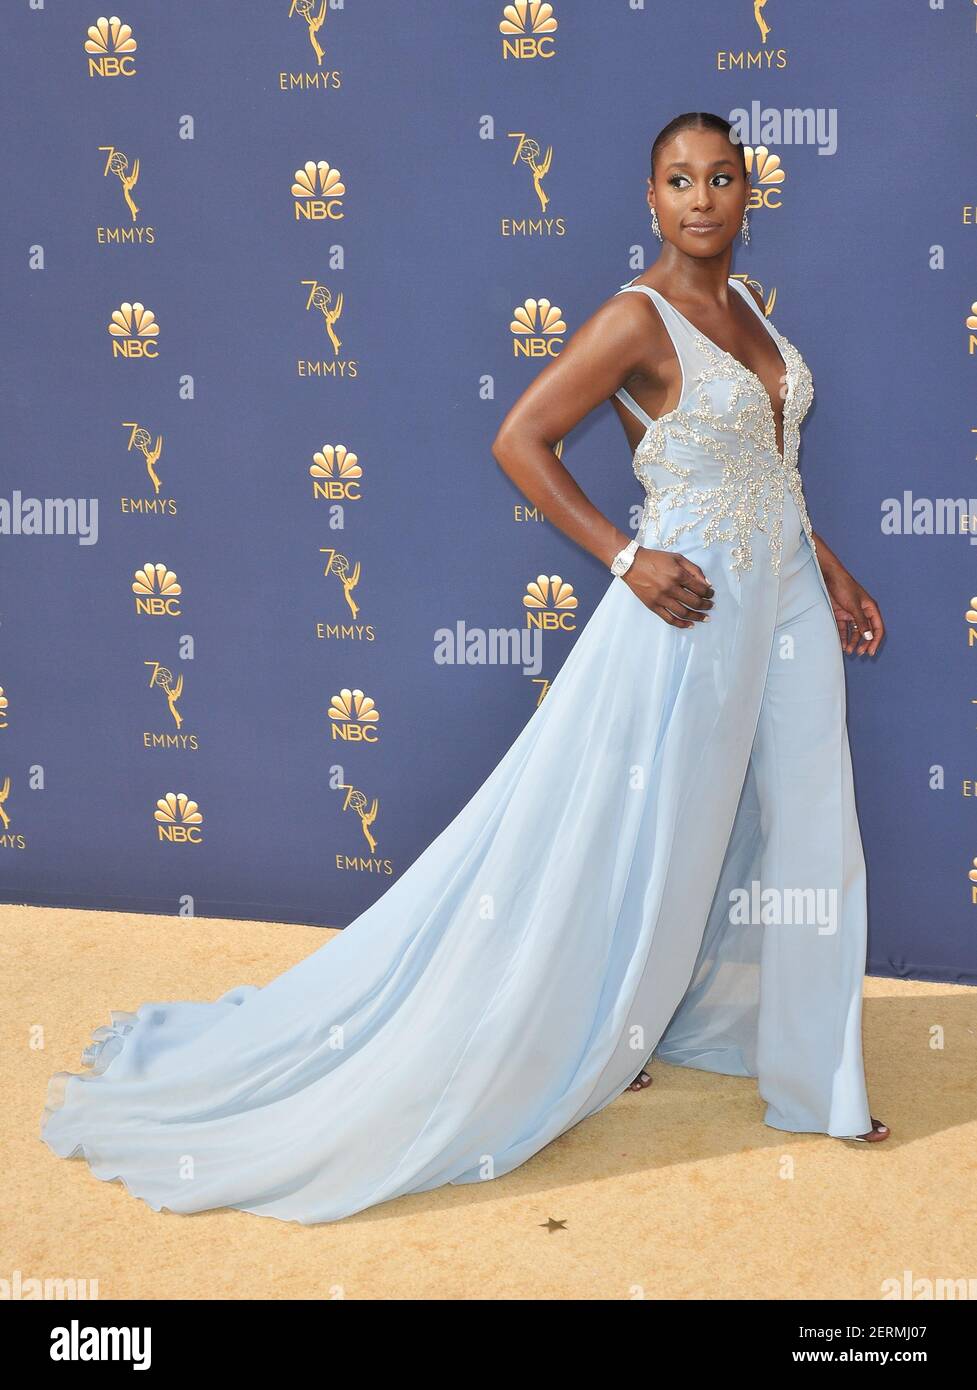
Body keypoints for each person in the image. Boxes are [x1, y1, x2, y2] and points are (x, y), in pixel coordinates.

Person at [39, 112, 888, 1230]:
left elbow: (765, 466)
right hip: (685, 605)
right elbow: (519, 438)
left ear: (745, 194)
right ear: (649, 199)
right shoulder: (634, 318)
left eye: (720, 178)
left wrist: (825, 569)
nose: (699, 198)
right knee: (641, 828)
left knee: (813, 820)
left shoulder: (748, 315)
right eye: (676, 179)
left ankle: (817, 1087)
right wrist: (624, 557)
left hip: (780, 589)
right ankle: (604, 1023)